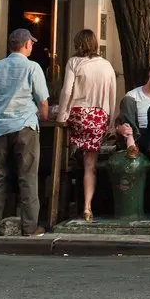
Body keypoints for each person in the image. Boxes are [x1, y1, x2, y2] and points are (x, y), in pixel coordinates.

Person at [0, 28, 50, 237]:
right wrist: (42, 116)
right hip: (25, 127)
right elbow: (43, 102)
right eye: (32, 44)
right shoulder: (33, 67)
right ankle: (29, 227)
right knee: (27, 176)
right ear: (27, 44)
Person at [56, 29, 117, 222]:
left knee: (65, 157)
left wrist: (62, 116)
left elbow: (67, 91)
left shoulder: (74, 63)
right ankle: (87, 207)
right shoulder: (106, 65)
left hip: (77, 113)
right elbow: (112, 94)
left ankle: (61, 204)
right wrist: (109, 118)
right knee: (90, 165)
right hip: (98, 115)